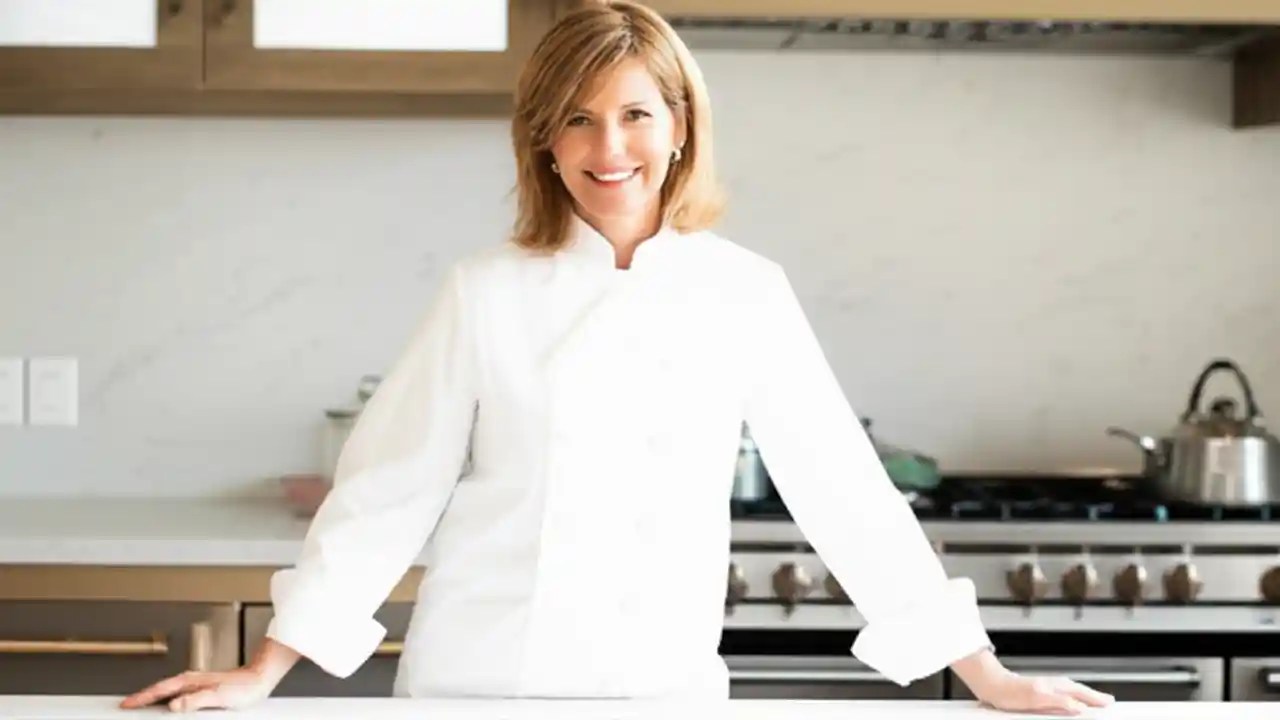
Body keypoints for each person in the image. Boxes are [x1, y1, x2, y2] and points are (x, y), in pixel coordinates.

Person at [122, 1, 1115, 714]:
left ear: (680, 128)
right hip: (480, 683)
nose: (609, 146)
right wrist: (264, 671)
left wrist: (979, 671)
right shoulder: (485, 289)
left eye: (636, 113)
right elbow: (387, 493)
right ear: (542, 141)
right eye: (578, 118)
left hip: (659, 687)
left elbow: (841, 490)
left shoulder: (741, 290)